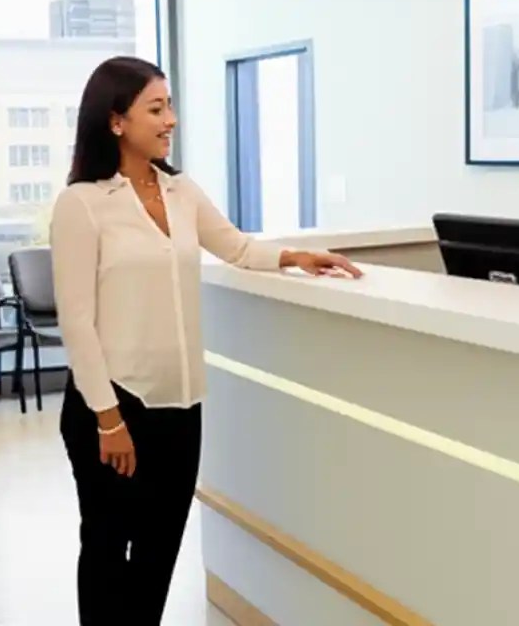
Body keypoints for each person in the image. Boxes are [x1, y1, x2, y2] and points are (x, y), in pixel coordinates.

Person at [51, 56, 361, 625]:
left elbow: (237, 247)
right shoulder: (83, 204)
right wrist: (108, 418)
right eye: (157, 108)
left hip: (182, 401)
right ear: (116, 120)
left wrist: (296, 258)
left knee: (160, 546)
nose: (171, 120)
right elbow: (76, 321)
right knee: (106, 544)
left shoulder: (180, 190)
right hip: (114, 406)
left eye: (169, 106)